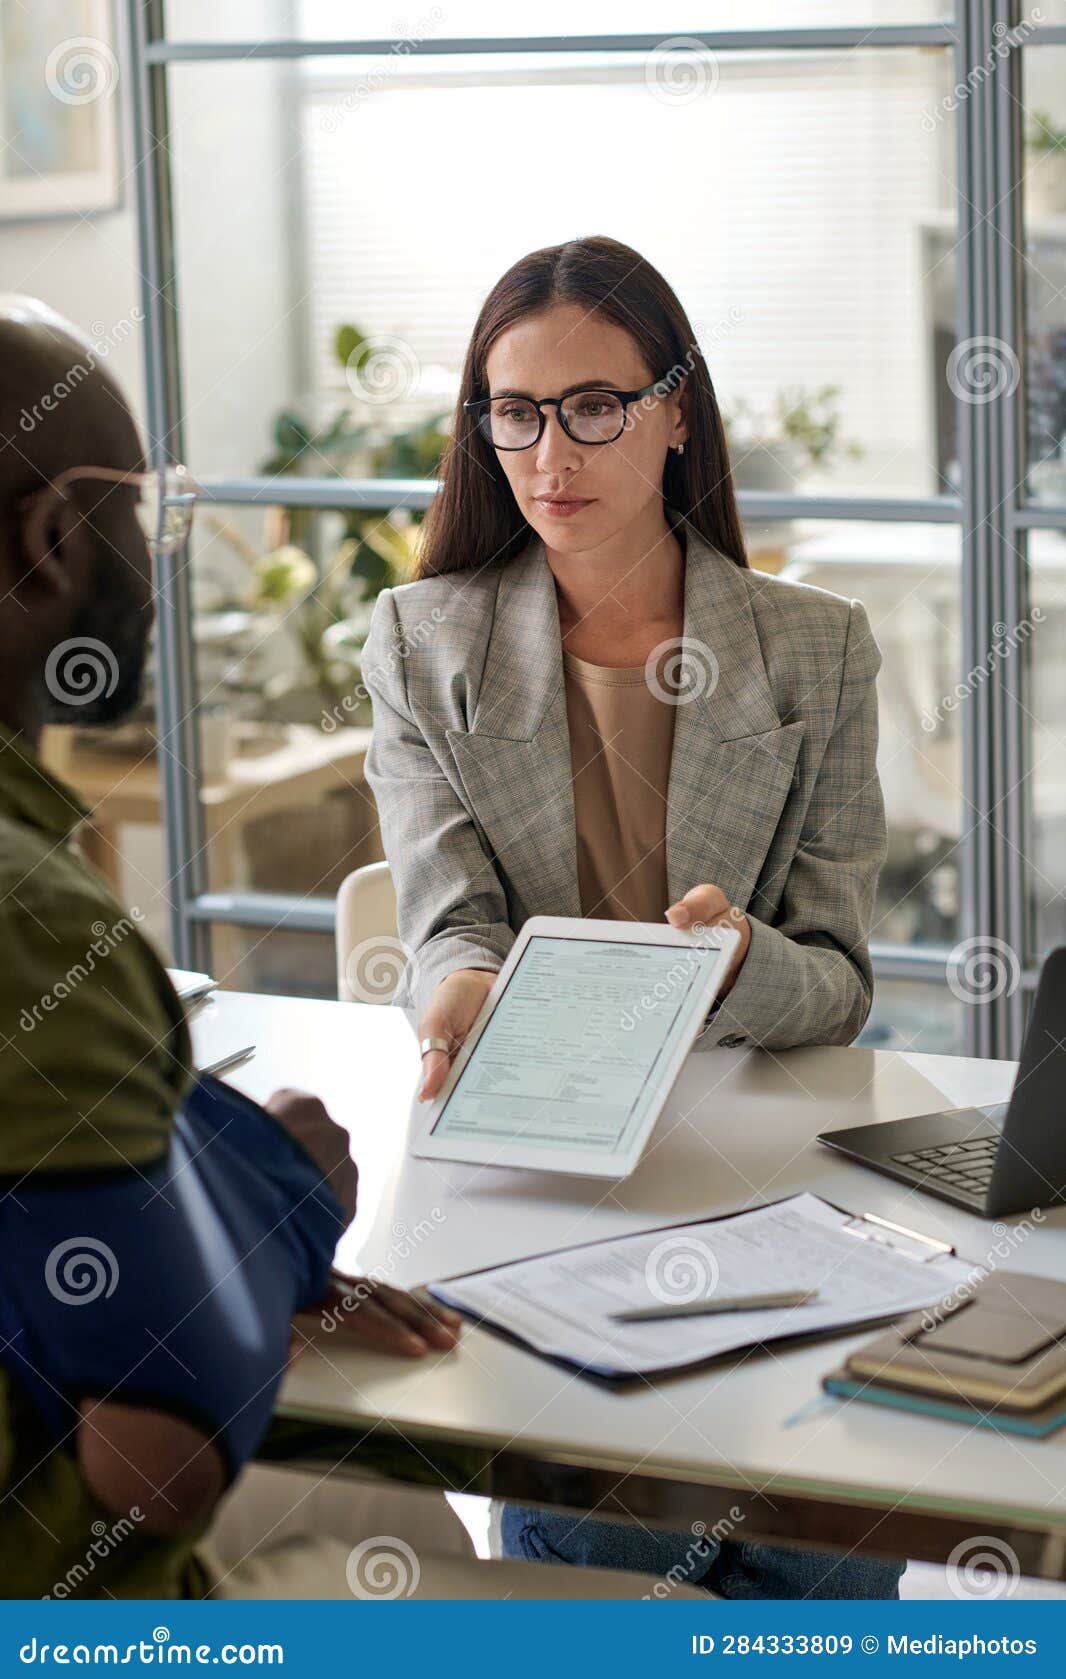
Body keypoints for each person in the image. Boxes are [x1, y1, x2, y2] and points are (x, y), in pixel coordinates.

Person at [360, 235, 903, 1599]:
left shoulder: (814, 645)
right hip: (548, 1181)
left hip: (761, 1169)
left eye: (594, 406)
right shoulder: (420, 641)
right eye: (515, 413)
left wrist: (735, 965)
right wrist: (459, 991)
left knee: (812, 1555)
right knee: (606, 1568)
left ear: (673, 410)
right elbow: (450, 921)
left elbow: (839, 981)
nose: (552, 453)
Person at [0, 297, 469, 1600]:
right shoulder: (32, 918)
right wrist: (269, 1187)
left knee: (393, 1501)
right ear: (49, 543)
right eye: (141, 513)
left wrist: (173, 1196)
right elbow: (161, 1452)